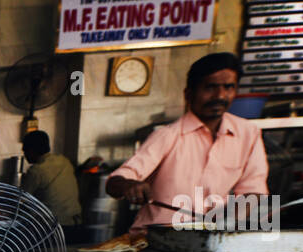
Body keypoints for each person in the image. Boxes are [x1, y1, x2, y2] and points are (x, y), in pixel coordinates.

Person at [105, 52, 268, 239]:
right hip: (153, 240)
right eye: (210, 87)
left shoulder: (248, 134)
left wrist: (223, 221)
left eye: (228, 87)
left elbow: (253, 192)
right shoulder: (167, 136)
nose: (220, 95)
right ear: (188, 94)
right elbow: (114, 182)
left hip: (211, 240)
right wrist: (129, 185)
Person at [20, 130, 82, 240]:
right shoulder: (64, 161)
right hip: (75, 225)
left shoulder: (36, 171)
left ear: (32, 150)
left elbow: (21, 200)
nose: (24, 155)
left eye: (25, 151)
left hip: (51, 229)